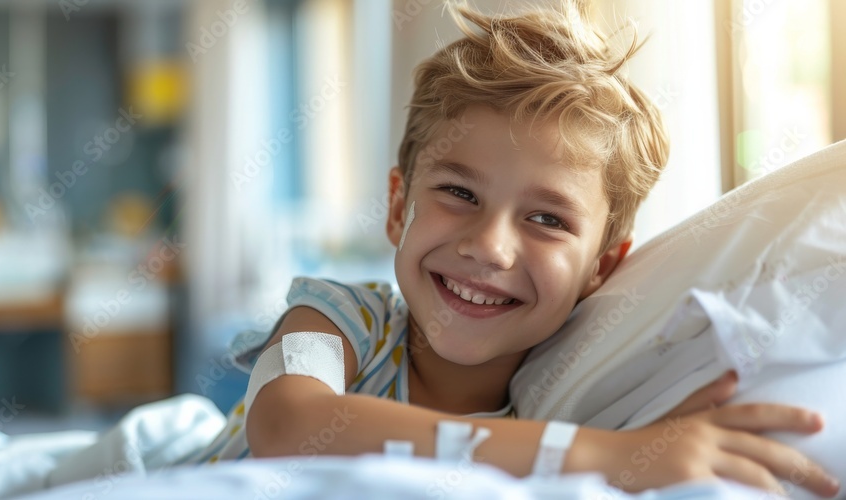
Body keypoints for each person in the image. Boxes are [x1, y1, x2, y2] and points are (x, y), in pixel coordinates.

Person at [181, 2, 841, 497]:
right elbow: (288, 428)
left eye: (547, 219)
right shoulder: (343, 317)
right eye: (459, 194)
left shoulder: (567, 398)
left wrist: (643, 450)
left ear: (602, 268)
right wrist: (602, 456)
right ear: (396, 206)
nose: (489, 247)